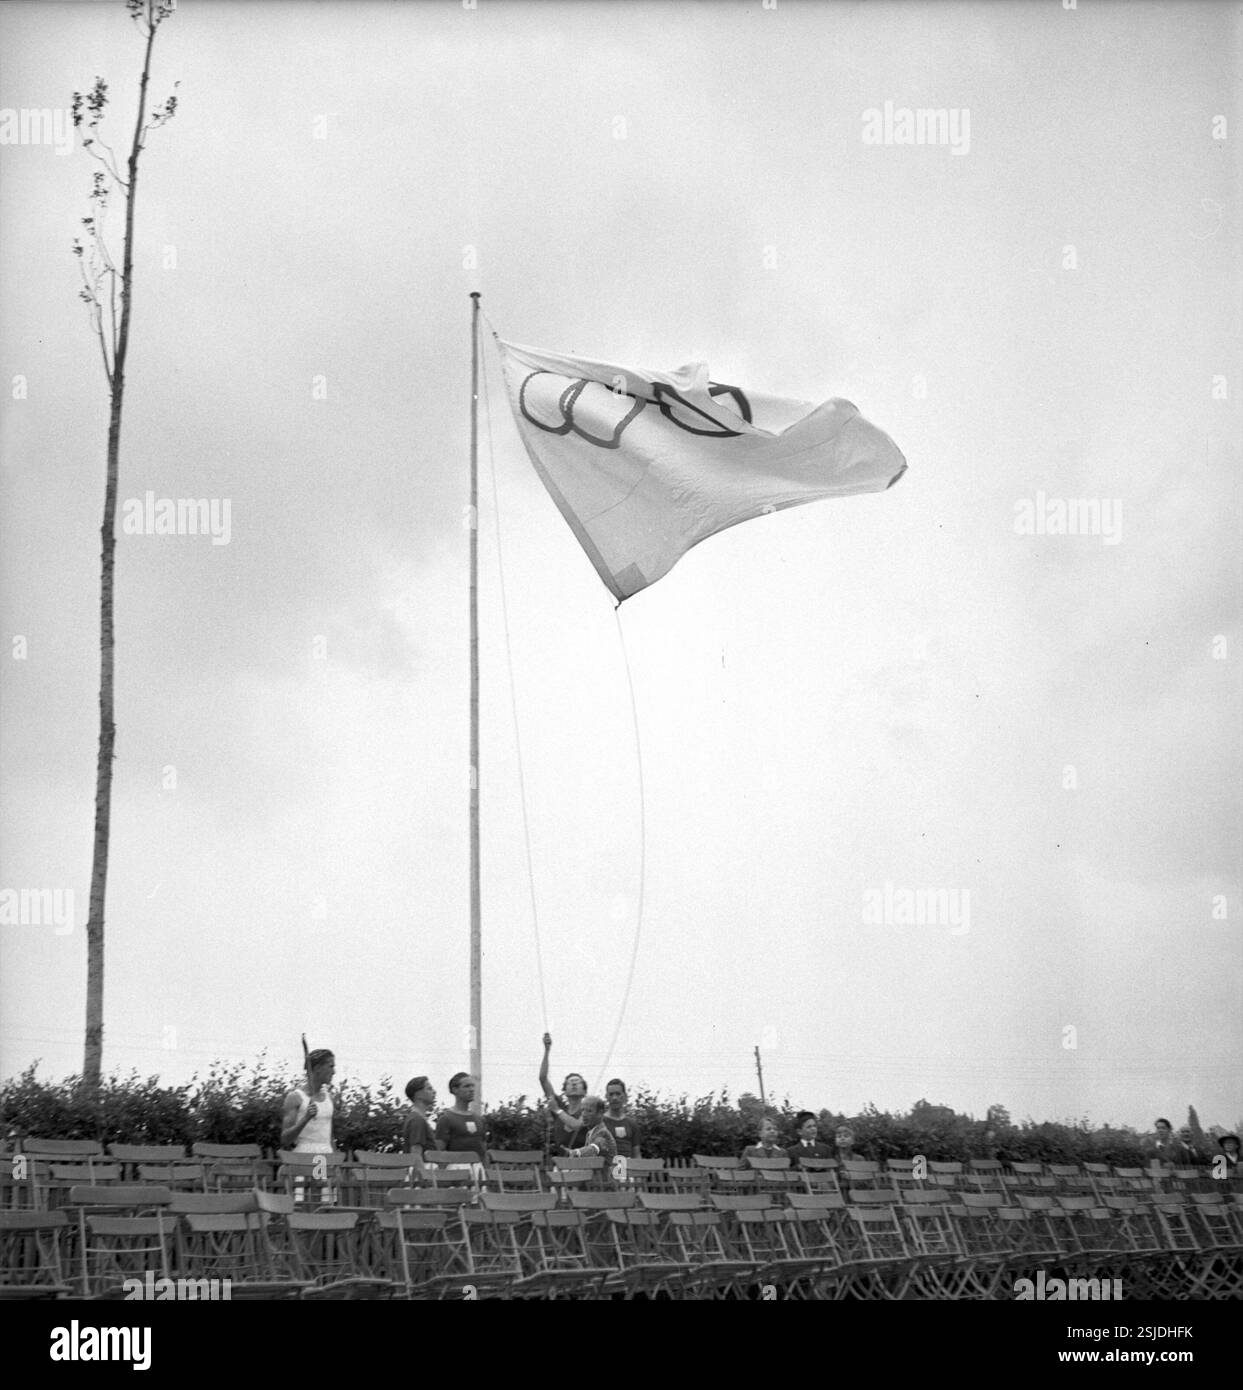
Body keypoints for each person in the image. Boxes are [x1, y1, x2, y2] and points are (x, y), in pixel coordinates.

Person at [281, 1047, 336, 1154]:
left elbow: (330, 1136)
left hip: (326, 1157)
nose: (333, 1072)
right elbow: (285, 1139)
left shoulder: (329, 1098)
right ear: (318, 1068)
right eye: (330, 1066)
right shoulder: (295, 1097)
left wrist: (335, 1162)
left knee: (321, 1169)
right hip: (303, 1158)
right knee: (316, 1170)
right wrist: (306, 1118)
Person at [539, 1033, 589, 1150]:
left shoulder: (588, 1109)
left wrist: (556, 1110)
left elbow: (576, 1125)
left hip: (587, 1164)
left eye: (578, 1082)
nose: (574, 1083)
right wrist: (547, 1050)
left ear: (584, 1091)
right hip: (562, 1164)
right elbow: (543, 1079)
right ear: (565, 1091)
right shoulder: (560, 1105)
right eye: (570, 1082)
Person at [434, 1072, 488, 1161]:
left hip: (478, 1169)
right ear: (455, 1090)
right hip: (456, 1169)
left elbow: (483, 1150)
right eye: (467, 1086)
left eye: (472, 1086)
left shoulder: (480, 1119)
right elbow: (439, 1151)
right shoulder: (446, 1119)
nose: (471, 1089)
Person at [558, 1095, 617, 1161]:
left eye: (589, 1111)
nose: (584, 1114)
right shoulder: (590, 1133)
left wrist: (574, 1152)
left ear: (600, 1113)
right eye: (582, 1110)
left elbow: (594, 1148)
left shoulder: (602, 1132)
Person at [601, 1078, 643, 1159]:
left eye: (618, 1094)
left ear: (624, 1096)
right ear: (606, 1097)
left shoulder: (632, 1124)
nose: (614, 1098)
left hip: (628, 1168)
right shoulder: (599, 1122)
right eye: (611, 1094)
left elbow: (637, 1154)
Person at [402, 1075, 439, 1165]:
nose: (434, 1091)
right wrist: (424, 1176)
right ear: (418, 1094)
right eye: (429, 1089)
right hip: (424, 1171)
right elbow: (416, 1154)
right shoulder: (417, 1120)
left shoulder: (417, 1118)